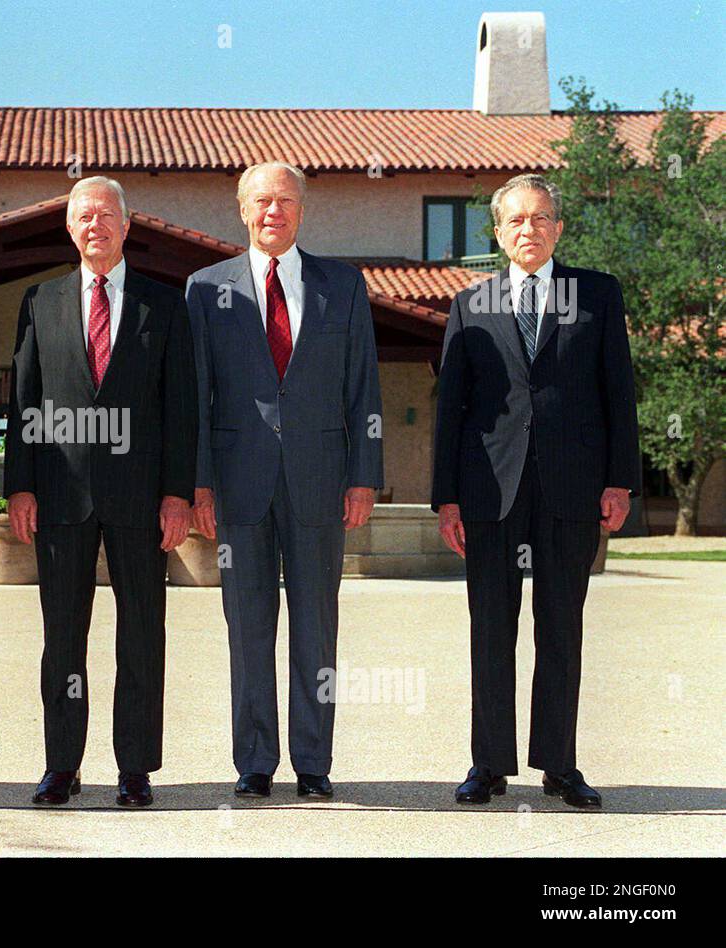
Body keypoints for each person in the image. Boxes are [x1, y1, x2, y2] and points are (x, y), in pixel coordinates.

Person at [431, 173, 641, 808]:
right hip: (489, 490)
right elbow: (452, 410)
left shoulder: (597, 296)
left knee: (561, 629)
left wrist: (620, 481)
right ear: (498, 233)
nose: (529, 229)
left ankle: (560, 765)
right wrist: (447, 497)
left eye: (541, 218)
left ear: (558, 227)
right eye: (516, 220)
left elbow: (618, 393)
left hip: (572, 489)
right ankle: (488, 764)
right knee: (490, 629)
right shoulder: (471, 304)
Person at [186, 162, 383, 799]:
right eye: (262, 201)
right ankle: (253, 762)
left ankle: (314, 763)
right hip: (238, 483)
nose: (274, 211)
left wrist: (364, 476)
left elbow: (363, 389)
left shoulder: (343, 285)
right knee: (246, 626)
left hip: (320, 481)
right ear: (242, 210)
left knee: (316, 624)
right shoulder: (204, 289)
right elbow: (197, 397)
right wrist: (199, 483)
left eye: (286, 201)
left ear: (302, 210)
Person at [4, 176, 197, 807]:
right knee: (63, 635)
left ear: (126, 225)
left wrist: (177, 494)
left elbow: (181, 408)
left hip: (142, 499)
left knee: (142, 631)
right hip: (60, 497)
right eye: (84, 216)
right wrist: (21, 486)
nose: (96, 226)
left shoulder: (165, 306)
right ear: (69, 228)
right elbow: (24, 399)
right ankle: (62, 764)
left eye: (107, 215)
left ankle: (135, 767)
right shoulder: (41, 300)